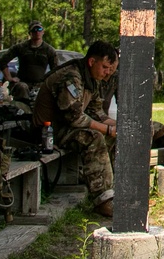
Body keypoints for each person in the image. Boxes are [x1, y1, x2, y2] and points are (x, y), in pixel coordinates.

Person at [32, 41, 118, 217]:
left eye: (110, 68)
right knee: (94, 138)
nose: (107, 72)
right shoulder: (71, 77)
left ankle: (116, 189)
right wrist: (107, 130)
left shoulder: (92, 79)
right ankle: (102, 199)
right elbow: (74, 117)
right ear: (92, 61)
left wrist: (117, 126)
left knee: (115, 137)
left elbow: (96, 113)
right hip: (48, 132)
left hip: (66, 128)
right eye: (105, 67)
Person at [0, 20, 58, 101]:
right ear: (30, 33)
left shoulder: (49, 50)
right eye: (34, 30)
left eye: (39, 30)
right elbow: (3, 61)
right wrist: (9, 78)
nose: (37, 32)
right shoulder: (21, 47)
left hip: (40, 85)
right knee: (22, 88)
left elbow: (56, 70)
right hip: (22, 83)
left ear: (43, 32)